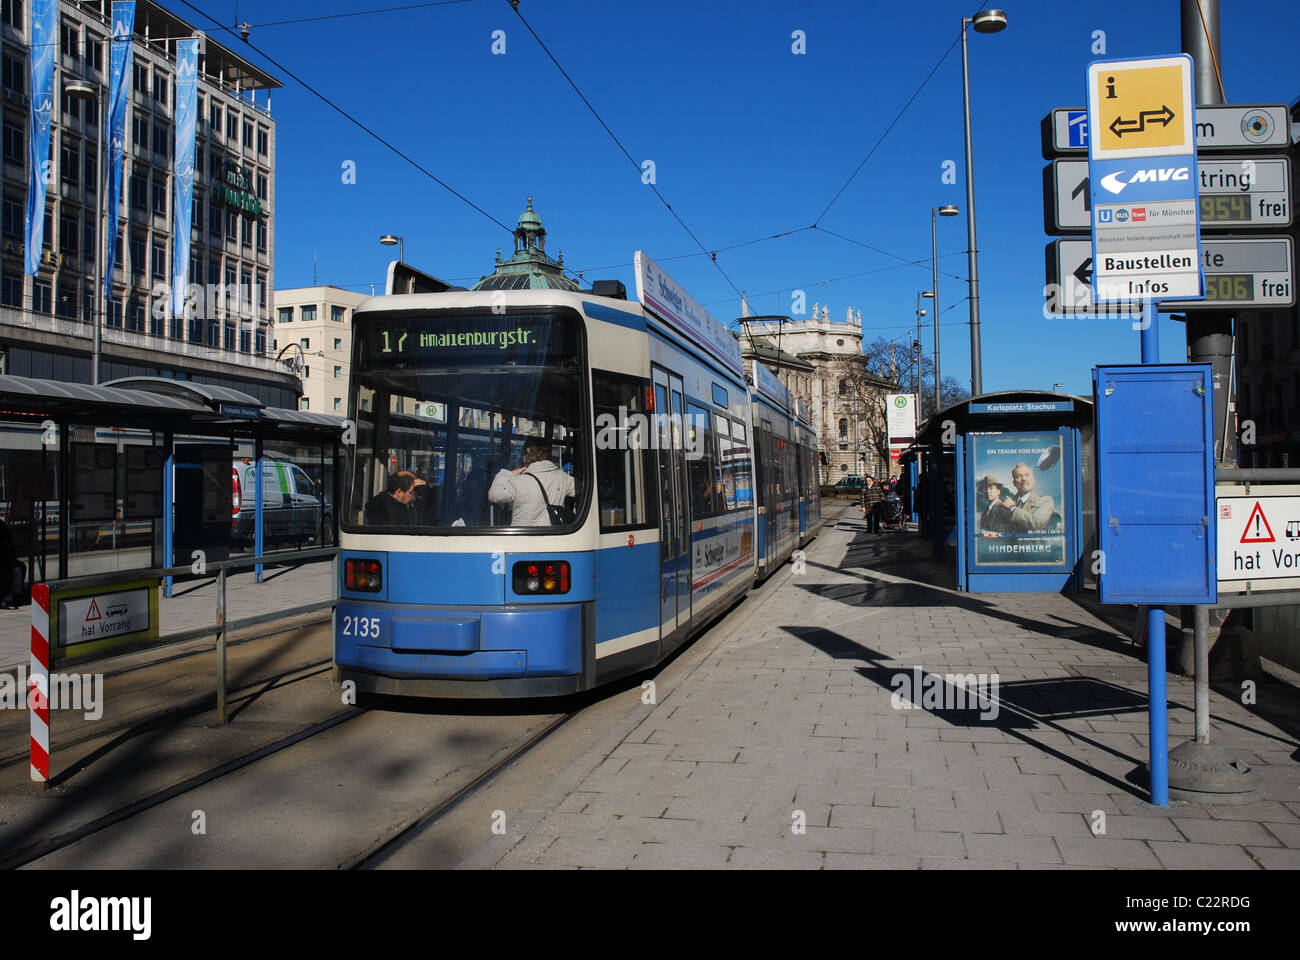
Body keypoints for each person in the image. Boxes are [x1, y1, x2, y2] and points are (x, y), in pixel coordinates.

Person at [488, 437, 576, 527]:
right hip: (554, 536)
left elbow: (494, 495)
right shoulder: (563, 478)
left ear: (528, 452)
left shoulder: (518, 481)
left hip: (523, 538)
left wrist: (506, 474)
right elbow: (582, 489)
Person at [1000, 463, 1055, 533]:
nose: (1024, 479)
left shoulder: (1045, 501)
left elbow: (1037, 525)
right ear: (1014, 483)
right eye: (1019, 476)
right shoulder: (1005, 505)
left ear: (1034, 480)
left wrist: (1013, 508)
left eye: (1027, 475)